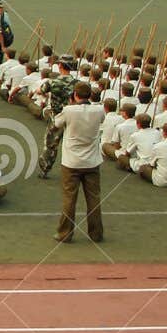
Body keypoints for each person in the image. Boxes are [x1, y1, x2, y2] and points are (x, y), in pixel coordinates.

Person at [52, 83, 106, 243]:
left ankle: (65, 233)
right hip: (92, 161)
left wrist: (70, 105)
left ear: (75, 94)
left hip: (71, 162)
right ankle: (96, 233)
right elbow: (101, 120)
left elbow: (56, 123)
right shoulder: (99, 110)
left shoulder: (68, 110)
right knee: (94, 198)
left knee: (69, 198)